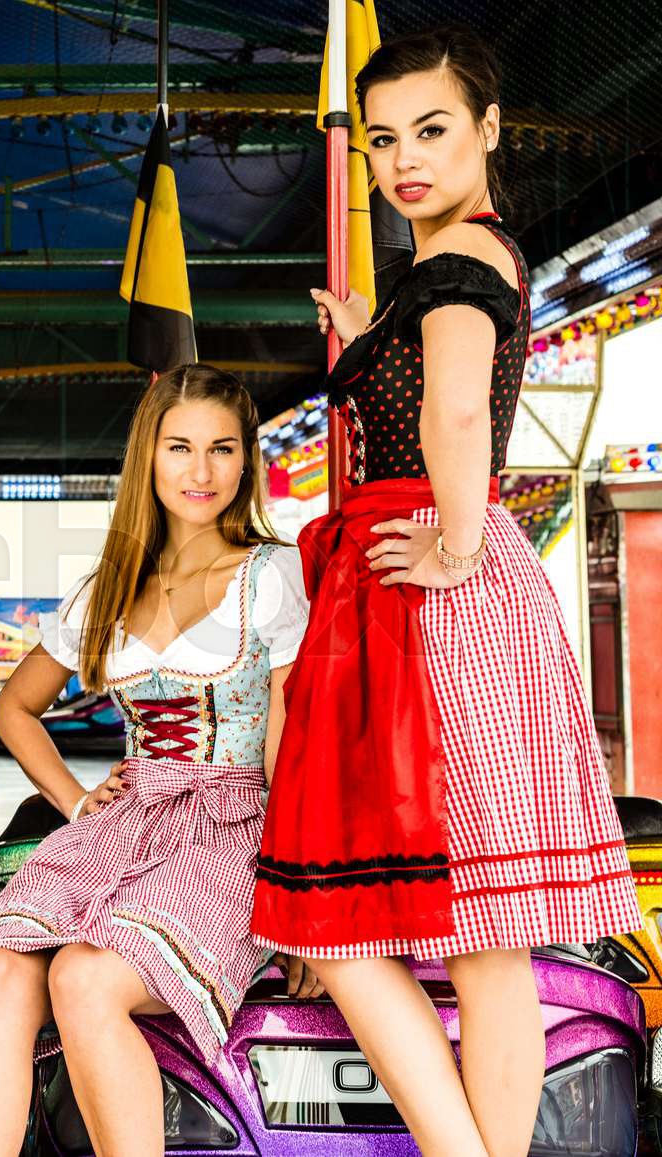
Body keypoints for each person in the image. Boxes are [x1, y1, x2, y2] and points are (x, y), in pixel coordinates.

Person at [252, 27, 638, 1157]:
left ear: (488, 130)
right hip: (420, 587)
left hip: (426, 593)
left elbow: (457, 409)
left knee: (354, 913)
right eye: (381, 139)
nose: (402, 157)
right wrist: (365, 339)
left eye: (430, 129)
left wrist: (454, 547)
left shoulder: (457, 262)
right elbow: (432, 387)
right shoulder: (449, 266)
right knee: (481, 931)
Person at [0, 365, 317, 1156]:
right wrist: (78, 800)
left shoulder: (273, 576)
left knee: (83, 976)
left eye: (222, 449)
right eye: (180, 447)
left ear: (247, 461)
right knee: (5, 970)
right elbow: (13, 709)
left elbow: (294, 751)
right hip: (123, 824)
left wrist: (300, 904)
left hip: (236, 826)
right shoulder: (105, 591)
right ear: (148, 457)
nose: (202, 471)